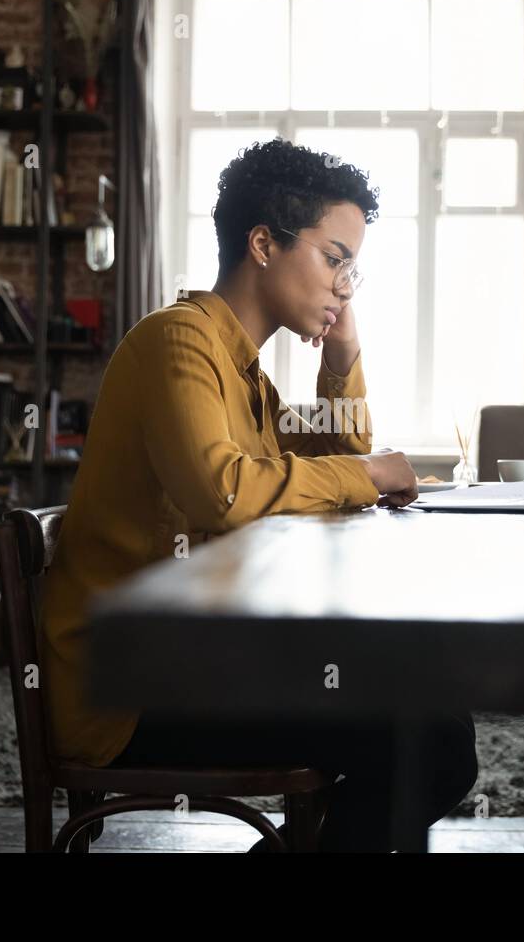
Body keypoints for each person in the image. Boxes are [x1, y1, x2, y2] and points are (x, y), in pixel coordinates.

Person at [40, 138, 478, 851]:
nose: (345, 283)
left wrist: (343, 358)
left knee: (436, 717)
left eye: (352, 269)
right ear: (264, 244)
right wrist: (367, 475)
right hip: (127, 690)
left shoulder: (248, 379)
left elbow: (339, 464)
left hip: (189, 660)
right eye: (336, 258)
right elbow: (225, 491)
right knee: (426, 736)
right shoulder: (176, 343)